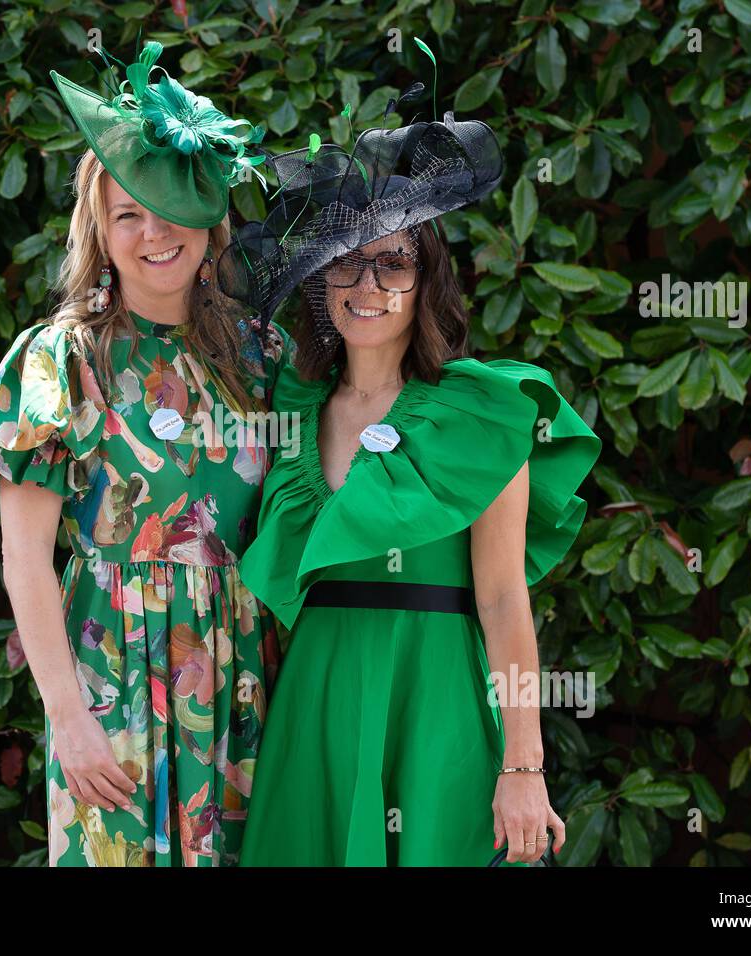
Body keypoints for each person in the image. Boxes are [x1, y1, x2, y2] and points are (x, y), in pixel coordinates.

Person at [217, 95, 602, 865]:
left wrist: (523, 766)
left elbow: (503, 599)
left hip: (438, 702)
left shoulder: (478, 414)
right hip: (318, 703)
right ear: (320, 281)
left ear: (425, 279)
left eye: (392, 261)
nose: (367, 284)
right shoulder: (289, 412)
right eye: (346, 262)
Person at [0, 40, 290, 866]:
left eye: (170, 206)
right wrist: (68, 717)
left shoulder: (266, 358)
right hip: (110, 672)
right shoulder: (61, 358)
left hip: (247, 672)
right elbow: (25, 554)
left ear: (211, 218)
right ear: (98, 229)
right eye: (127, 212)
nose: (154, 233)